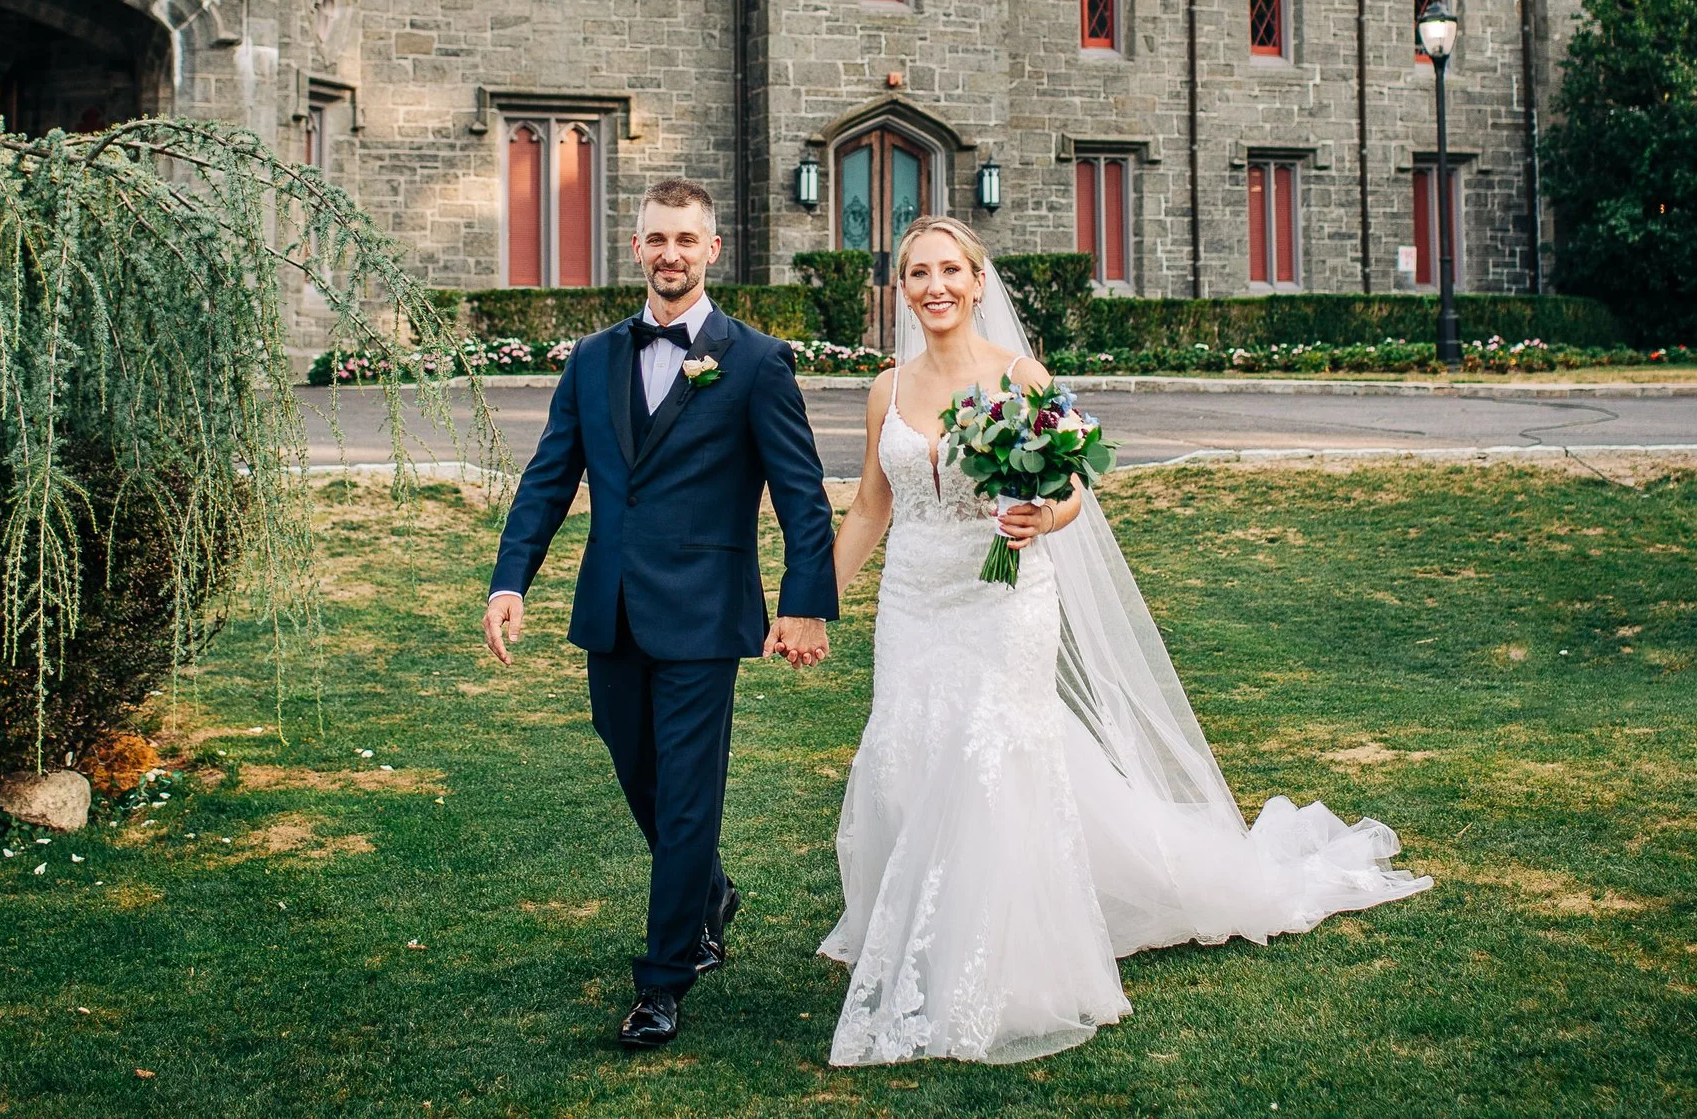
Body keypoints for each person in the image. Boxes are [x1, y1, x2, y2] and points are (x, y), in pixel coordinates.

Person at [817, 215, 1433, 1065]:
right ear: (901, 287)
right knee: (908, 754)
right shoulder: (890, 387)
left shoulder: (1018, 374)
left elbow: (1070, 492)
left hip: (1003, 598)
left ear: (977, 277)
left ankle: (997, 959)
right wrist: (812, 600)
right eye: (918, 272)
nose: (935, 287)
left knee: (988, 757)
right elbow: (871, 507)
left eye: (950, 269)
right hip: (914, 602)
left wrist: (1041, 512)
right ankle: (925, 921)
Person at [485, 178, 838, 1049]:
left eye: (687, 238)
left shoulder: (756, 362)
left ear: (713, 249)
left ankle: (665, 977)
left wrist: (804, 606)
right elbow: (548, 476)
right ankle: (709, 890)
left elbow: (801, 498)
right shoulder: (593, 357)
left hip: (707, 613)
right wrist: (509, 580)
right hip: (611, 610)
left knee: (686, 798)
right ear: (636, 247)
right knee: (635, 767)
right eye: (656, 238)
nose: (671, 252)